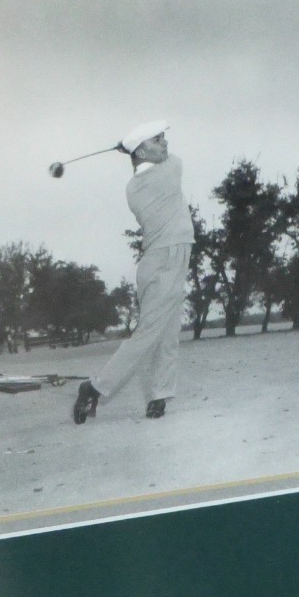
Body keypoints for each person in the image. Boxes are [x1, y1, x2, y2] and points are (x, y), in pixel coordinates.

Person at [73, 119, 193, 424]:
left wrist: (131, 148)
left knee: (168, 333)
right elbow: (175, 159)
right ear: (141, 150)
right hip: (165, 261)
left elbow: (154, 156)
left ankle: (159, 396)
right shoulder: (165, 173)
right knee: (150, 333)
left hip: (165, 260)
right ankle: (94, 388)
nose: (165, 144)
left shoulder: (134, 184)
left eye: (163, 138)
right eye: (157, 140)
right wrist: (129, 147)